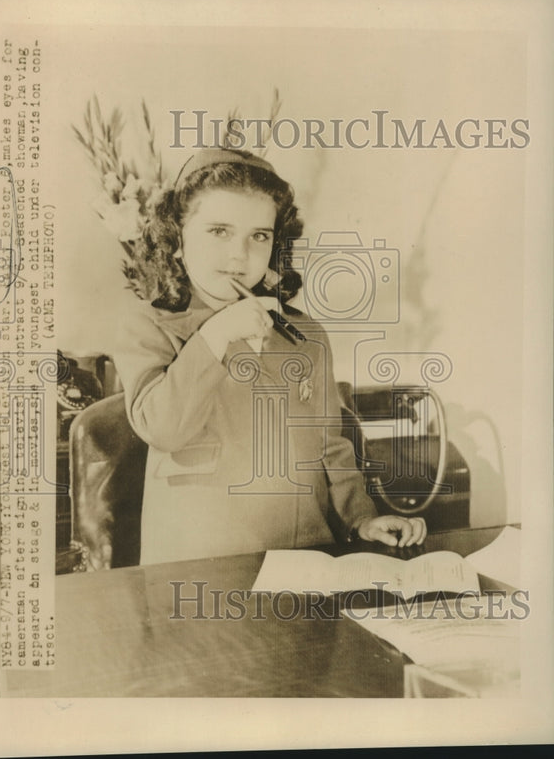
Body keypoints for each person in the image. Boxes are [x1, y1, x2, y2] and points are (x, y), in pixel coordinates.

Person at [114, 147, 426, 565]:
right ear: (176, 240)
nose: (240, 254)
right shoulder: (147, 326)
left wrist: (360, 519)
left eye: (259, 235)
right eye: (219, 231)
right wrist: (219, 333)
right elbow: (163, 428)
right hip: (200, 568)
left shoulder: (305, 335)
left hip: (307, 556)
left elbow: (329, 445)